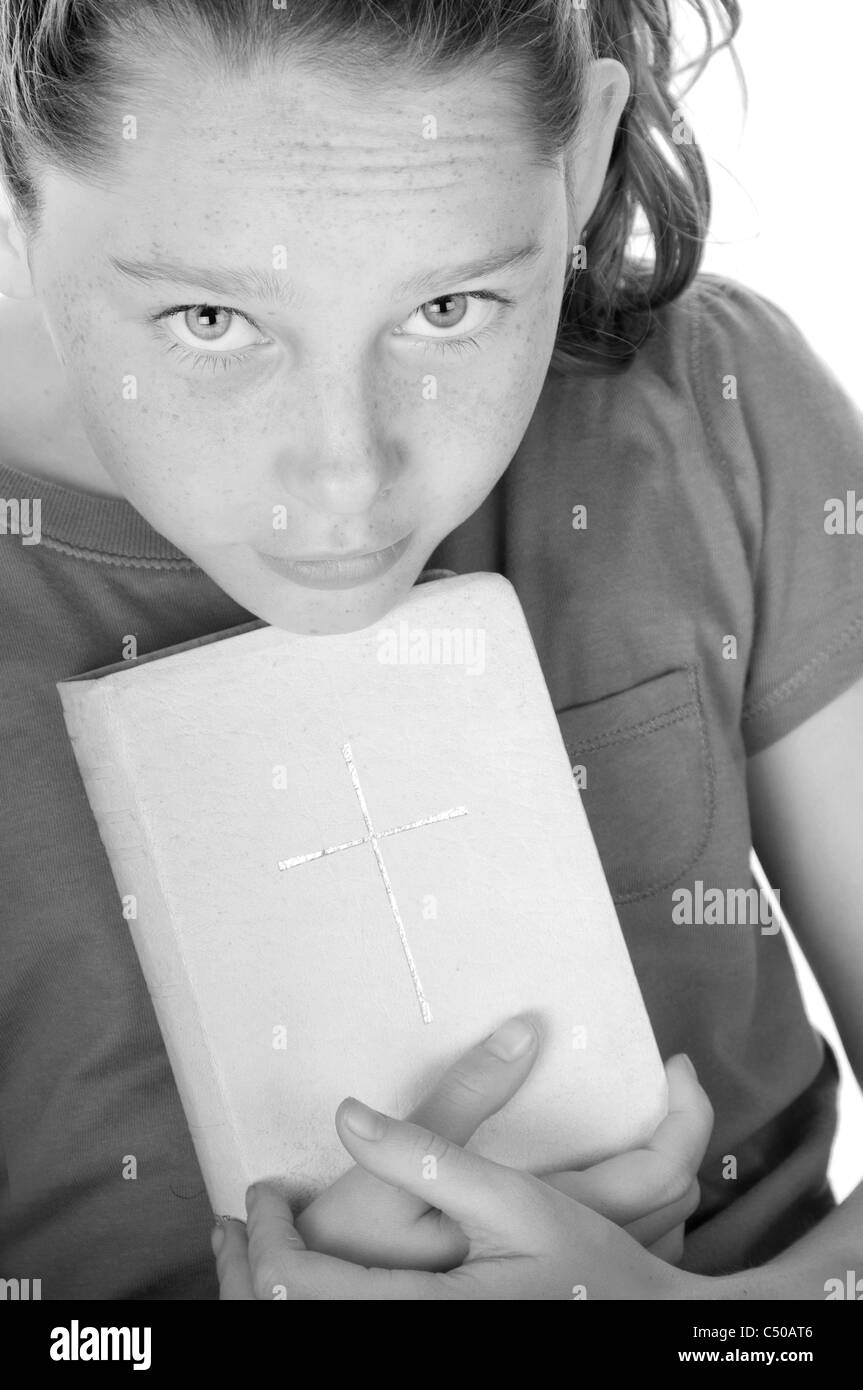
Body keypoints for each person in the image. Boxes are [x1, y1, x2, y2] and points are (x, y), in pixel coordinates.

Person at [1, 0, 861, 1300]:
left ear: (582, 162)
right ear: (15, 185)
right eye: (211, 320)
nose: (345, 478)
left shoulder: (715, 419)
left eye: (450, 306)